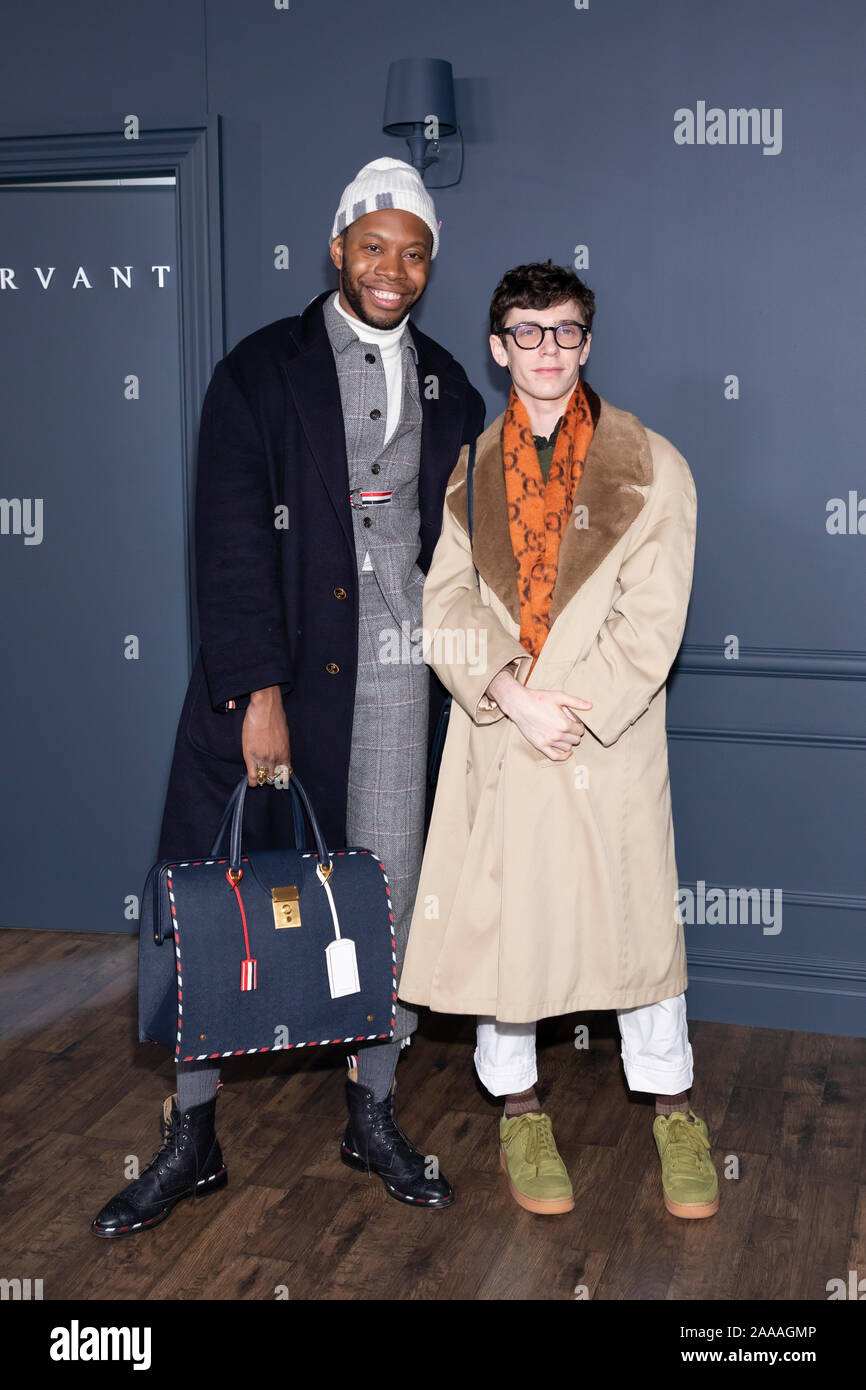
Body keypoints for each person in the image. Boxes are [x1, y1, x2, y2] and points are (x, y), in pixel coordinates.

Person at [91, 158, 485, 1237]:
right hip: (275, 679)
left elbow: (460, 553)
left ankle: (372, 1109)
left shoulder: (454, 382)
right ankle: (193, 1134)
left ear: (428, 263)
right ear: (336, 250)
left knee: (384, 899)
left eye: (413, 252)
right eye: (372, 248)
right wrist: (252, 690)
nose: (391, 269)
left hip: (401, 680)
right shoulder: (259, 371)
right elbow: (227, 541)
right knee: (218, 898)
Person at [399, 261, 719, 1220]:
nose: (548, 349)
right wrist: (506, 692)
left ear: (587, 341)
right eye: (528, 332)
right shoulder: (467, 470)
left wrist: (567, 710)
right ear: (499, 348)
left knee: (638, 934)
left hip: (603, 742)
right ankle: (519, 1108)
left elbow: (653, 623)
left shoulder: (653, 464)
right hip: (502, 735)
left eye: (566, 331)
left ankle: (673, 1108)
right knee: (511, 936)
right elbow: (444, 602)